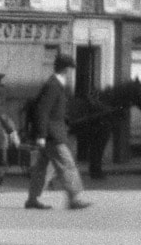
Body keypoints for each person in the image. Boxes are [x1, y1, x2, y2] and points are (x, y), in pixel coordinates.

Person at [24, 52, 92, 211]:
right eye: (70, 69)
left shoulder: (55, 85)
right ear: (65, 69)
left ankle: (32, 199)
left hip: (51, 134)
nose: (71, 72)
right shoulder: (53, 85)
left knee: (42, 169)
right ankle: (74, 198)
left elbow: (53, 112)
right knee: (67, 165)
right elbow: (43, 111)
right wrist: (41, 135)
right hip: (53, 135)